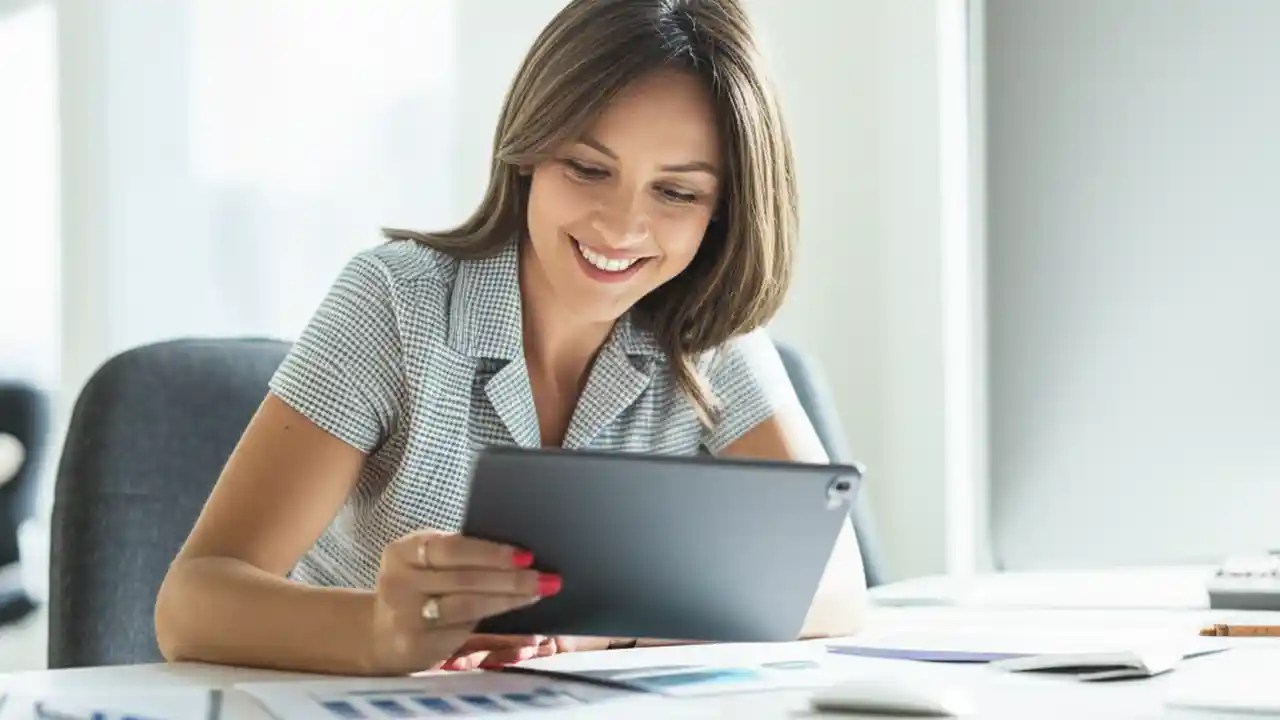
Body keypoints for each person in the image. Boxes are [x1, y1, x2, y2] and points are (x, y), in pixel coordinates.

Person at [155, 0, 867, 676]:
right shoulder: (396, 302)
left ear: (722, 210)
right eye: (587, 169)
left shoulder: (705, 330)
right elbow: (190, 605)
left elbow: (835, 584)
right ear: (528, 151)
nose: (622, 226)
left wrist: (603, 623)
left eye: (676, 192)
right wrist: (379, 630)